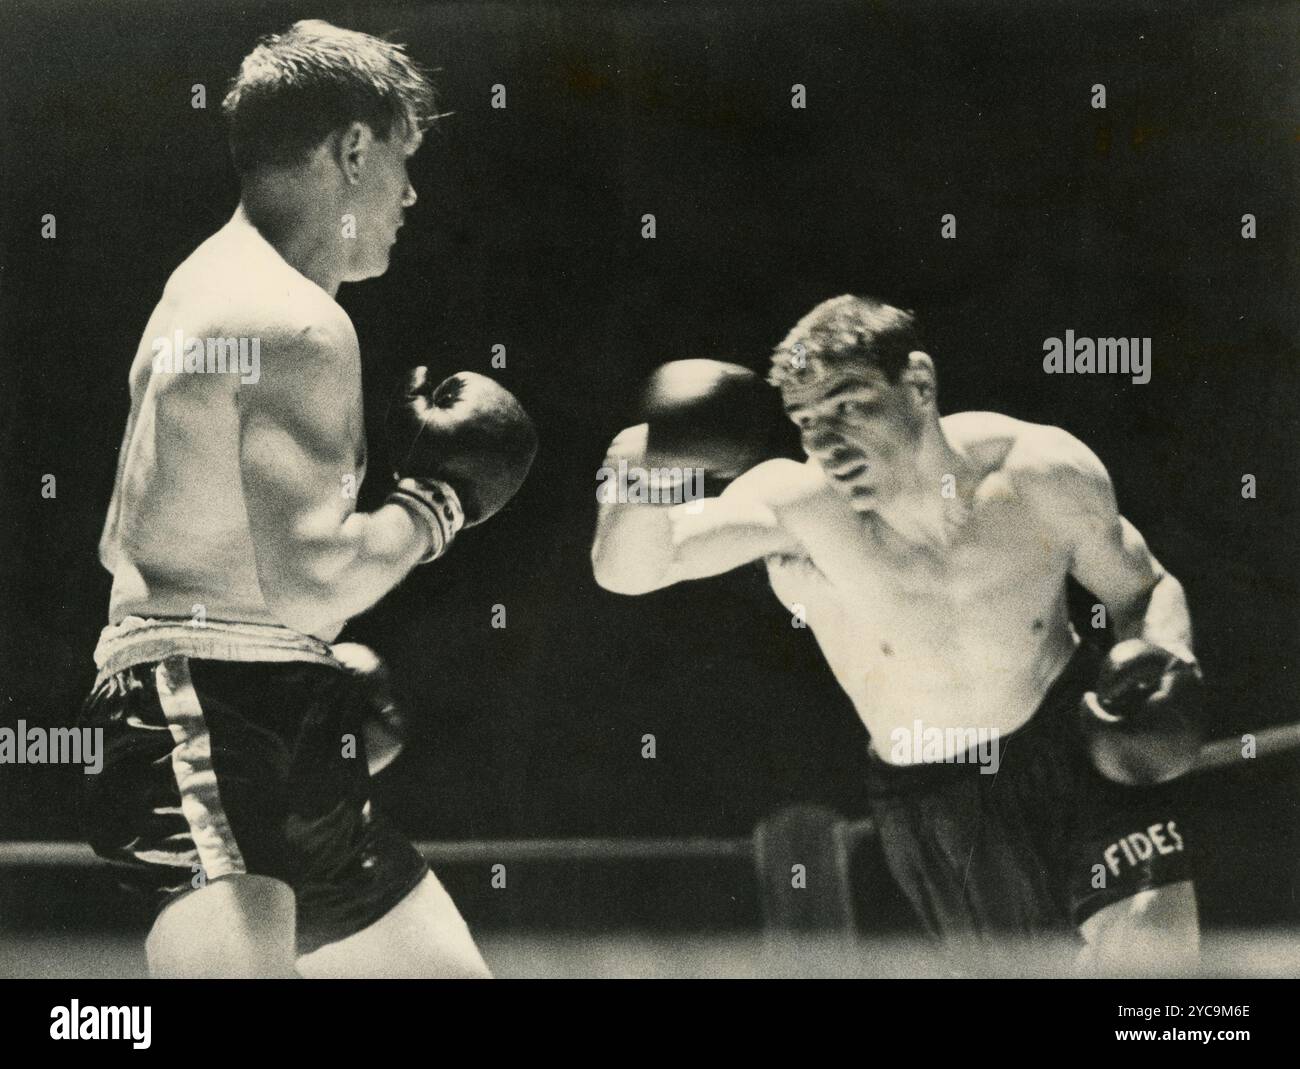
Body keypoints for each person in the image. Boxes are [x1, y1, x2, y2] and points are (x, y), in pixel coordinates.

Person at [80, 20, 536, 978]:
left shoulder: (210, 285)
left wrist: (312, 675)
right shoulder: (294, 321)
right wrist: (439, 502)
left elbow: (170, 541)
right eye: (402, 160)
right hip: (204, 701)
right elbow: (313, 583)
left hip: (258, 695)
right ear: (354, 149)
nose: (411, 194)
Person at [591, 295, 1203, 971]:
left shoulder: (1039, 471)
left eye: (848, 404)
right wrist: (640, 472)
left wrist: (1168, 661)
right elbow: (634, 571)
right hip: (938, 797)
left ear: (917, 384)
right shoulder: (797, 504)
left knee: (1160, 968)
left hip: (1073, 738)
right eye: (806, 420)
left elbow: (1143, 588)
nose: (827, 441)